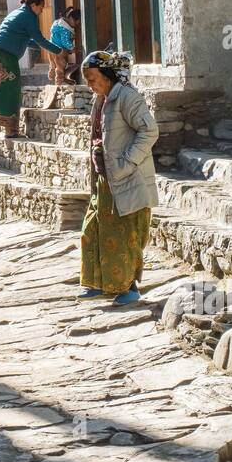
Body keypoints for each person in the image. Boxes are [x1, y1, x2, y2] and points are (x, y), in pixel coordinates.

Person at [78, 50, 158, 306]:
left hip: (127, 178)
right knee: (94, 229)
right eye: (87, 80)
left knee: (125, 236)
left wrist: (128, 161)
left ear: (108, 75)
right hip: (106, 179)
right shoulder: (101, 99)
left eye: (92, 78)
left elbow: (149, 130)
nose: (89, 85)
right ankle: (99, 282)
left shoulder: (127, 98)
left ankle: (129, 289)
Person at [0, 0, 63, 135]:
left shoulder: (18, 13)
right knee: (12, 87)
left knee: (4, 87)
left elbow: (27, 40)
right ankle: (10, 129)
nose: (41, 11)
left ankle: (8, 127)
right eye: (41, 8)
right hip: (3, 53)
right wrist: (58, 50)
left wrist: (47, 48)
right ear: (33, 5)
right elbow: (39, 39)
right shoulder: (28, 17)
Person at [47, 7, 81, 84]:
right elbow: (65, 42)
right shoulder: (65, 29)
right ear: (71, 18)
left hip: (51, 49)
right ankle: (59, 82)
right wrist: (72, 48)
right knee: (60, 67)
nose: (76, 25)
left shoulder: (58, 23)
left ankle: (52, 71)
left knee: (53, 64)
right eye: (76, 23)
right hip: (59, 51)